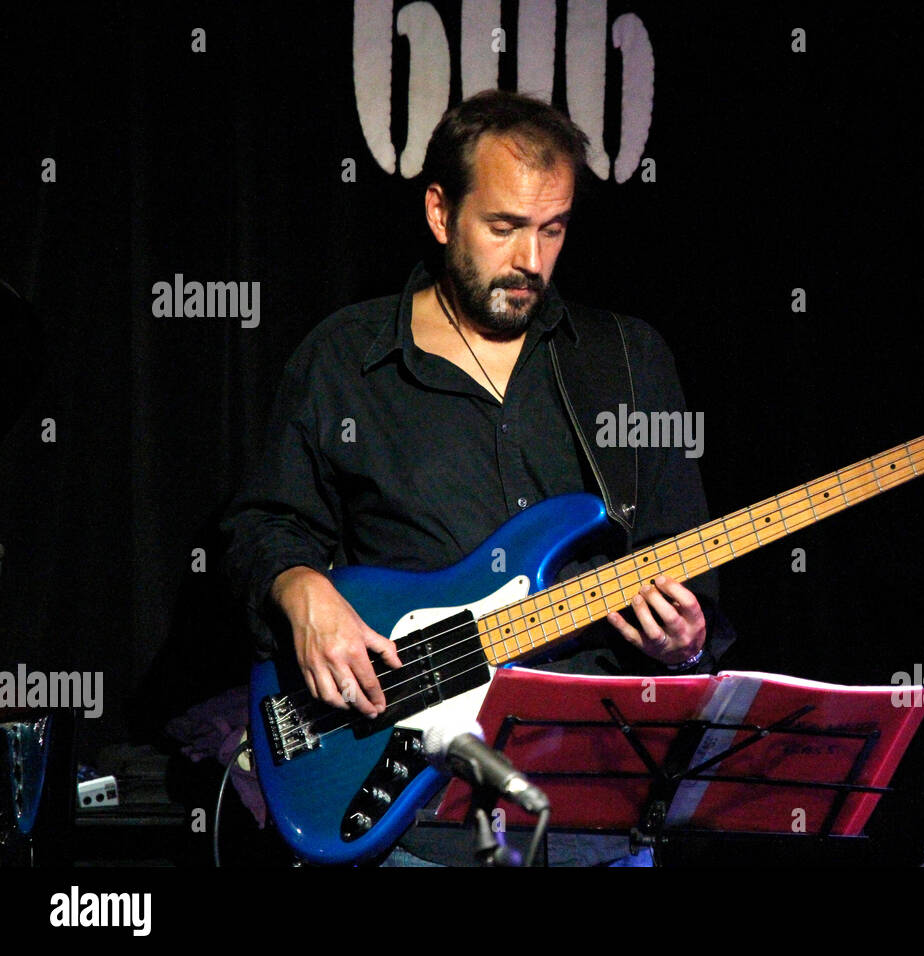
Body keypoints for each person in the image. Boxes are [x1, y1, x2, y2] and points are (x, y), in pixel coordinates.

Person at [220, 90, 734, 865]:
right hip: (417, 811)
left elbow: (689, 580)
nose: (531, 260)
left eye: (552, 229)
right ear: (440, 212)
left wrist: (686, 643)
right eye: (505, 228)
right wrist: (299, 589)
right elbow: (262, 526)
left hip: (597, 811)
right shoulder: (346, 357)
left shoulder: (627, 360)